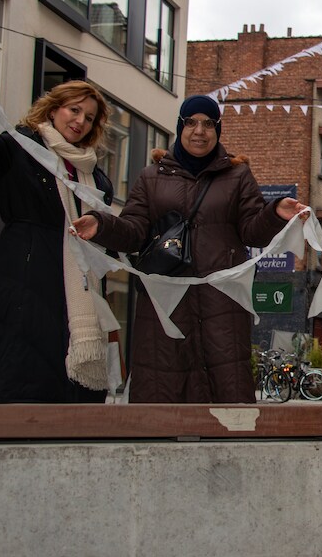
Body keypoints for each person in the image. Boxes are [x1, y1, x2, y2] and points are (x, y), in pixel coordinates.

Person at [72, 95, 306, 403]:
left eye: (208, 124)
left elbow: (252, 232)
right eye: (191, 123)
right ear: (180, 127)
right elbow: (134, 232)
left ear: (217, 130)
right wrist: (102, 225)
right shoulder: (151, 177)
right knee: (162, 396)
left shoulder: (238, 176)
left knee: (225, 398)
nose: (199, 131)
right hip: (165, 305)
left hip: (222, 305)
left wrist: (275, 212)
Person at [0, 40, 114, 403]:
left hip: (74, 295)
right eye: (74, 110)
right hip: (23, 286)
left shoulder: (96, 179)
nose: (80, 121)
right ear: (53, 109)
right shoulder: (18, 148)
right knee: (15, 384)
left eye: (89, 118)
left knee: (67, 397)